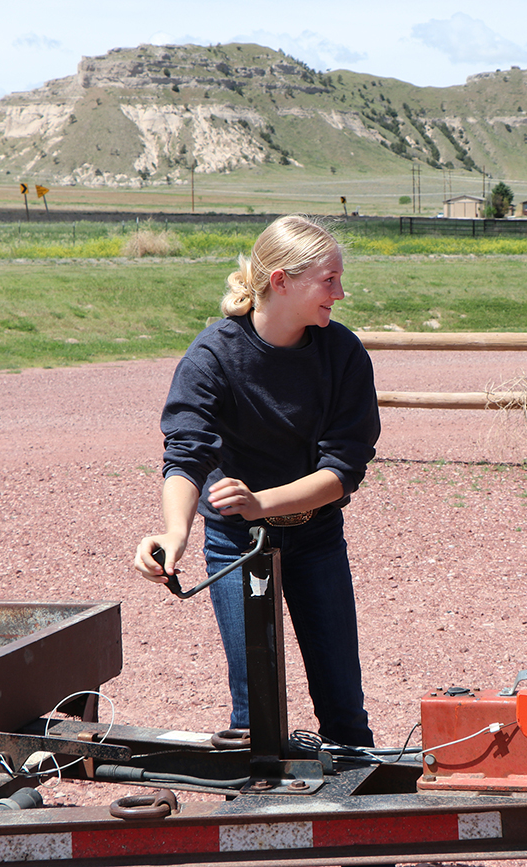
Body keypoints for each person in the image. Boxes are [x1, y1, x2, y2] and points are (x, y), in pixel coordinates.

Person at [134, 215, 380, 749]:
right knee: (255, 713)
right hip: (235, 542)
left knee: (344, 709)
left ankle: (360, 819)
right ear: (281, 282)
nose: (341, 292)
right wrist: (174, 534)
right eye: (329, 279)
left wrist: (260, 500)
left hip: (315, 537)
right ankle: (258, 818)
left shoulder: (342, 353)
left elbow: (343, 469)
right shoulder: (213, 355)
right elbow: (186, 452)